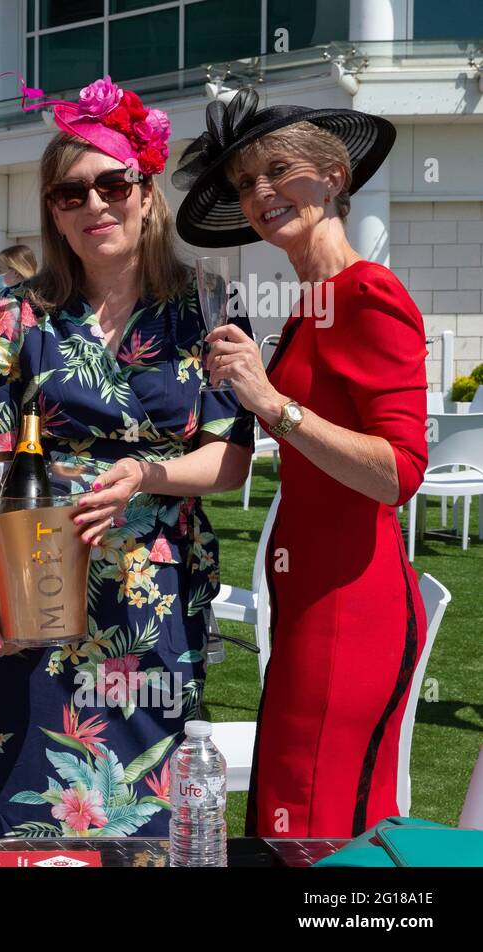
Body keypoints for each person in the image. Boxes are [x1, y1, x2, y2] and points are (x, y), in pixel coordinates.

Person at [0, 76, 253, 843]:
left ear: (147, 192)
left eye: (113, 184)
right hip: (32, 581)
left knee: (146, 809)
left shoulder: (208, 305)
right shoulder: (17, 312)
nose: (94, 205)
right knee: (24, 796)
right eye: (69, 193)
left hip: (150, 597)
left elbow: (227, 463)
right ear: (52, 211)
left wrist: (147, 476)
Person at [175, 87, 427, 837]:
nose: (260, 193)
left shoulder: (367, 293)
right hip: (309, 600)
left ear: (334, 177)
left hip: (353, 604)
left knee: (317, 823)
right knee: (293, 811)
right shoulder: (310, 303)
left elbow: (399, 471)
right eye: (245, 183)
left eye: (278, 170)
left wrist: (270, 402)